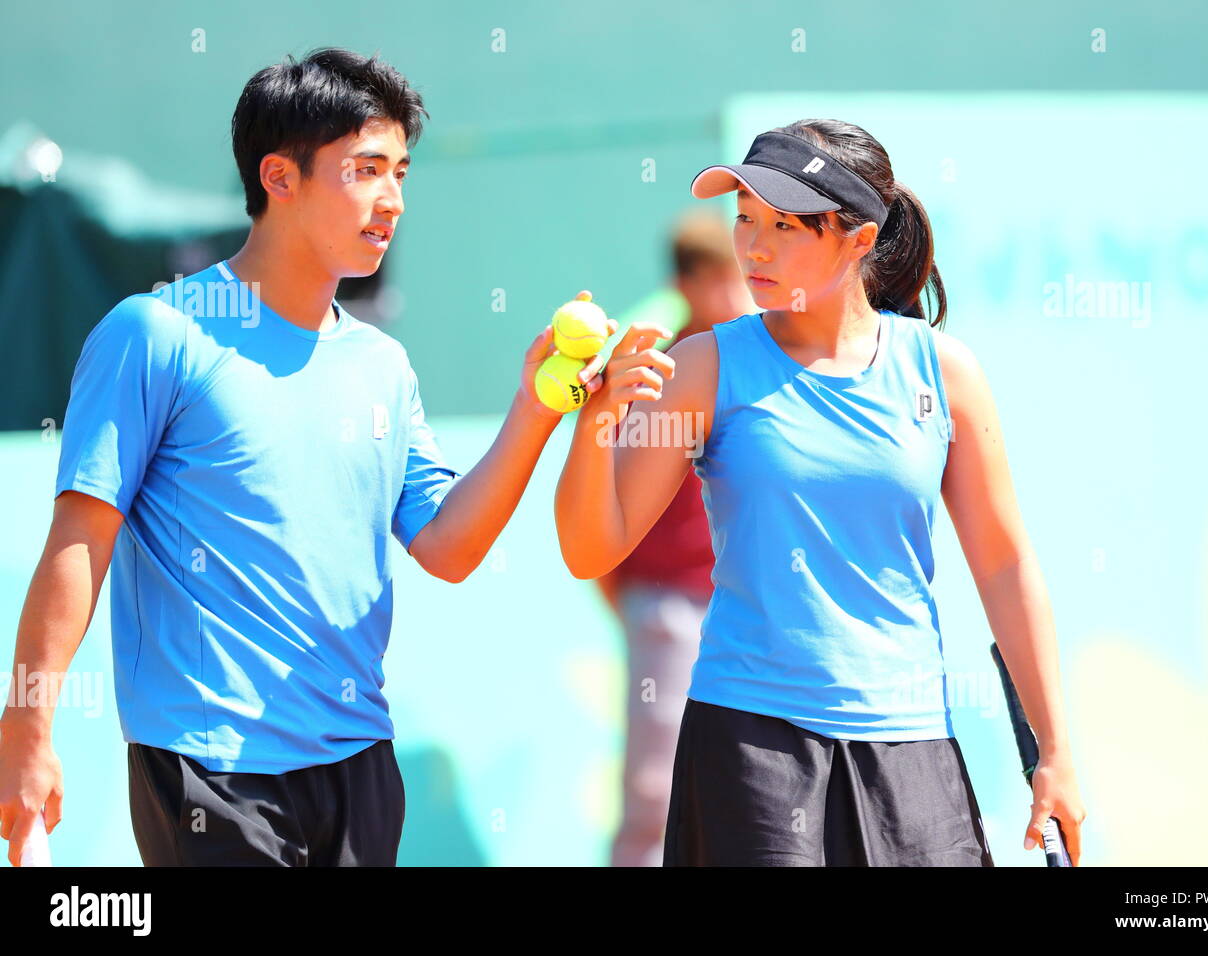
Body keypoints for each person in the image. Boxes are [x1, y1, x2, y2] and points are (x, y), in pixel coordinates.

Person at [0, 48, 613, 867]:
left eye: (400, 171)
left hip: (359, 764)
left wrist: (537, 409)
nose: (391, 199)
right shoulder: (153, 335)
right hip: (209, 768)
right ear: (279, 178)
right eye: (364, 170)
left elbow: (449, 547)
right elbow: (79, 545)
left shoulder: (383, 367)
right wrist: (27, 727)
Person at [555, 119, 1086, 866]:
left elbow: (1004, 565)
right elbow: (591, 548)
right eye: (744, 220)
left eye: (785, 225)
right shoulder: (706, 365)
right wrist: (596, 423)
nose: (755, 247)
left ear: (860, 239)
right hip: (750, 746)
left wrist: (1056, 752)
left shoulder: (946, 374)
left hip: (913, 746)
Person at [594, 212, 753, 867]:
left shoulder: (752, 367)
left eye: (740, 276)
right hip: (667, 605)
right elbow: (605, 507)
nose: (738, 292)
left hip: (745, 611)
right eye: (722, 278)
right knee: (655, 787)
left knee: (752, 788)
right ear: (687, 284)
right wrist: (633, 602)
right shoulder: (652, 377)